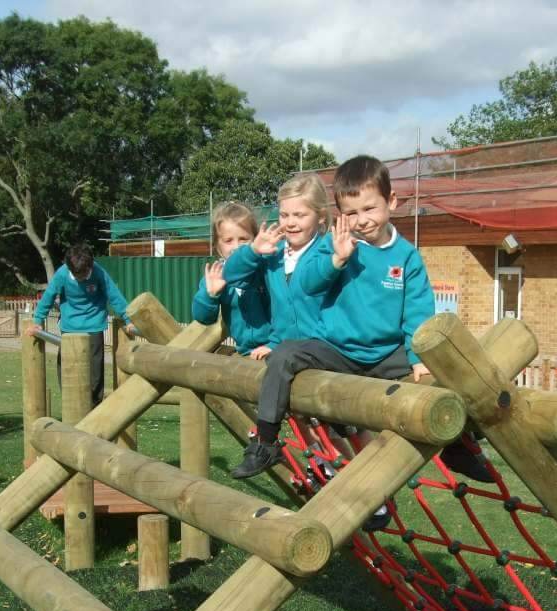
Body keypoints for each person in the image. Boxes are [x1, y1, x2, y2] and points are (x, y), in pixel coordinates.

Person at [230, 155, 492, 506]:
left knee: (448, 369)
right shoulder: (334, 244)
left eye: (370, 208)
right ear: (339, 215)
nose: (362, 220)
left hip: (385, 354)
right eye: (351, 213)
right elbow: (307, 284)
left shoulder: (406, 257)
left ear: (391, 202)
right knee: (285, 354)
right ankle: (265, 442)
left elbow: (417, 312)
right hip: (336, 348)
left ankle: (460, 446)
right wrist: (336, 260)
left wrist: (417, 357)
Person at [221, 172, 332, 352]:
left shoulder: (329, 251)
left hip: (323, 350)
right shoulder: (273, 255)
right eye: (284, 215)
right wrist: (252, 251)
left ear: (321, 216)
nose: (290, 222)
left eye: (299, 215)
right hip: (282, 350)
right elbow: (231, 275)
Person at [28, 243, 129, 406]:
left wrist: (128, 320)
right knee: (67, 366)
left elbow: (115, 296)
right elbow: (48, 297)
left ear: (91, 265)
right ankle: (70, 402)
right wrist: (37, 321)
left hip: (94, 325)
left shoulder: (98, 272)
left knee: (95, 371)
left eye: (84, 274)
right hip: (70, 327)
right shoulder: (62, 274)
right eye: (77, 275)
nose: (81, 278)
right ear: (69, 268)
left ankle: (94, 405)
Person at [190, 202, 273, 356]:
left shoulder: (265, 269)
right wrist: (210, 295)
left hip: (274, 346)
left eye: (243, 239)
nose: (237, 246)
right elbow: (203, 318)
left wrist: (275, 343)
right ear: (217, 246)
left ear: (255, 239)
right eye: (228, 240)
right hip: (246, 351)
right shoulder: (217, 275)